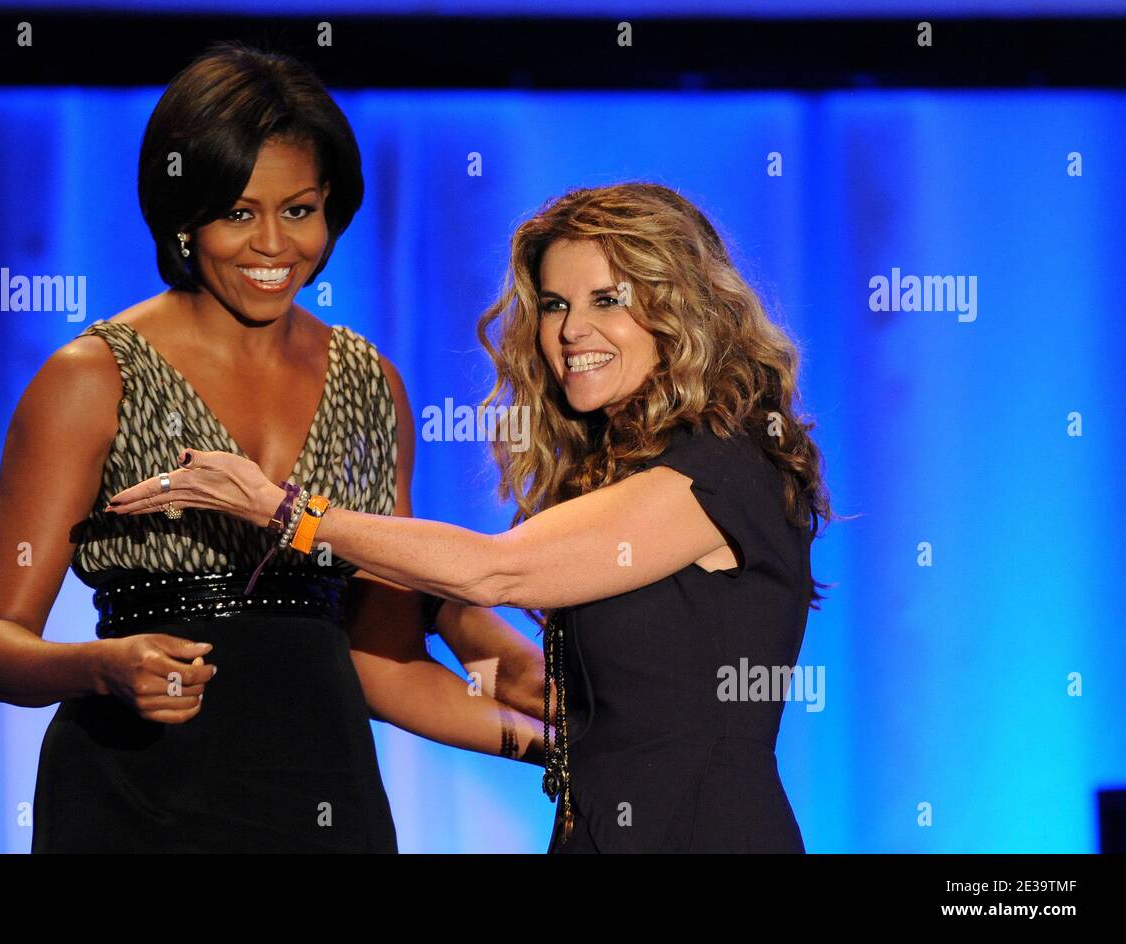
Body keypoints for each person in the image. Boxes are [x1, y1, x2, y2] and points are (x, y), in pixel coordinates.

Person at [109, 181, 836, 853]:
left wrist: (280, 509)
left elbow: (498, 568)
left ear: (681, 310)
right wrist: (413, 604)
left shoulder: (724, 467)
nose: (572, 331)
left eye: (607, 300)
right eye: (554, 304)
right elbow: (532, 685)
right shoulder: (621, 479)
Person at [0, 42, 543, 854]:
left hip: (322, 791)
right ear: (182, 216)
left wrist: (553, 746)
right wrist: (102, 667)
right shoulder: (92, 378)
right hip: (135, 794)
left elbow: (387, 658)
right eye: (238, 213)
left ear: (331, 205)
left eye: (298, 210)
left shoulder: (373, 384)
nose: (273, 245)